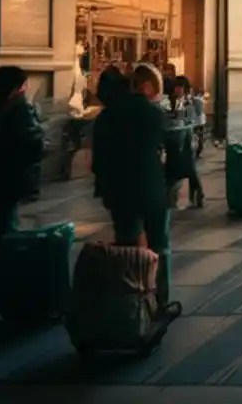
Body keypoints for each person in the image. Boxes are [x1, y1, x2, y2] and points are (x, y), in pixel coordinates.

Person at [92, 64, 174, 310]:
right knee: (159, 244)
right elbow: (168, 147)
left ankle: (133, 302)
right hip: (151, 188)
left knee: (128, 245)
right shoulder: (153, 114)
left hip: (119, 191)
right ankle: (160, 298)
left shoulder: (105, 117)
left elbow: (98, 162)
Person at [0, 66, 45, 277]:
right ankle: (1, 262)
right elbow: (34, 143)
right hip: (15, 173)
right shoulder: (20, 110)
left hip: (2, 172)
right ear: (17, 88)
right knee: (5, 219)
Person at [166, 75, 205, 208]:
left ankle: (197, 193)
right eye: (176, 88)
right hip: (178, 138)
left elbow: (195, 120)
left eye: (180, 88)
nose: (177, 90)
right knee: (188, 168)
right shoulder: (173, 101)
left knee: (189, 168)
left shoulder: (193, 102)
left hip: (189, 139)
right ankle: (196, 193)